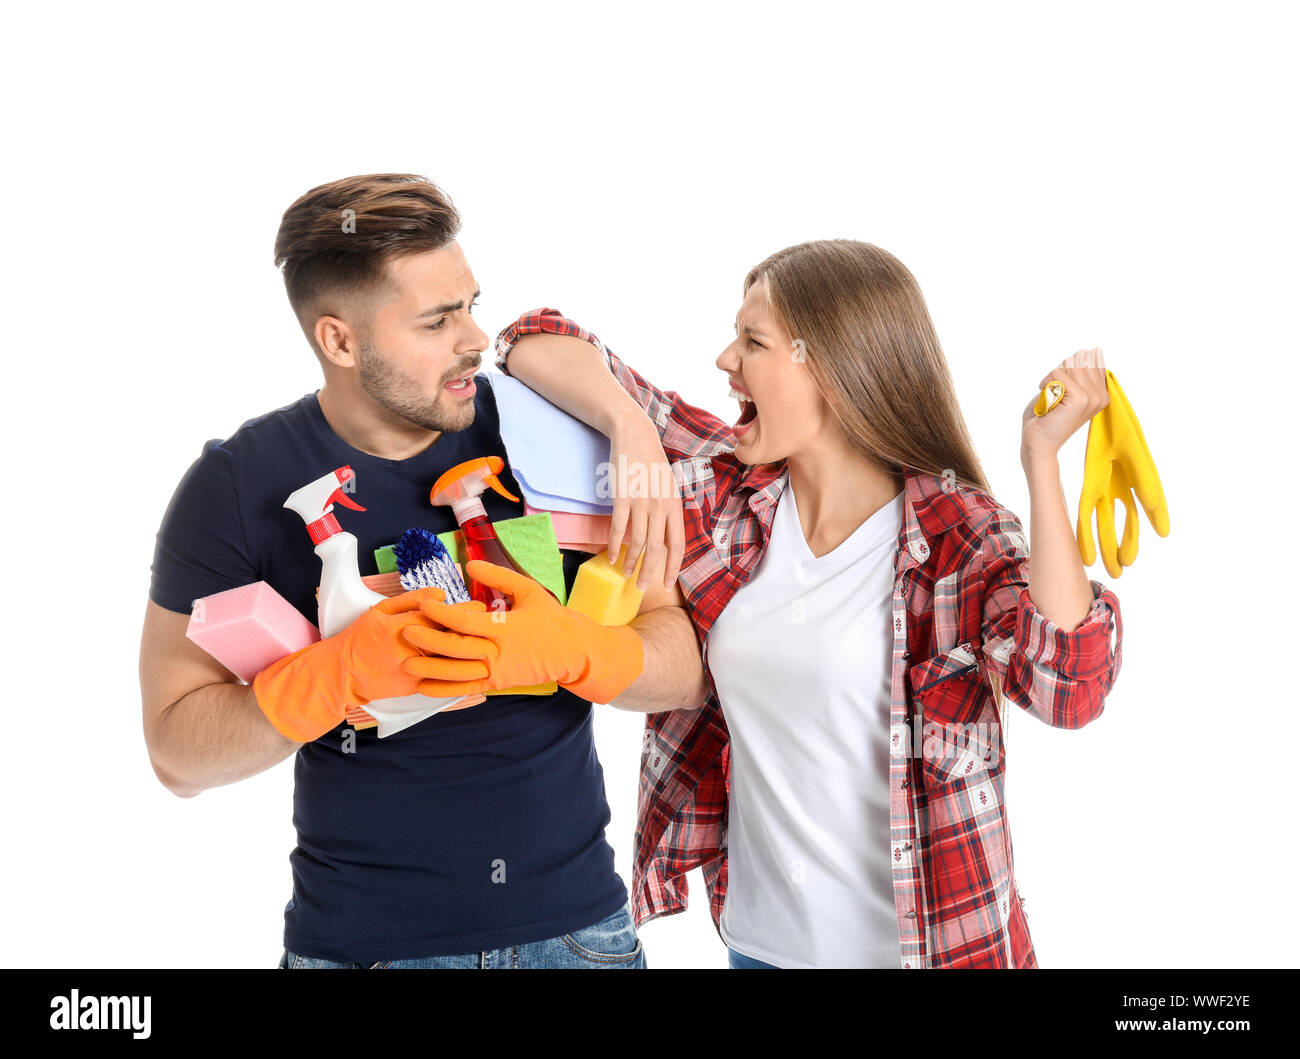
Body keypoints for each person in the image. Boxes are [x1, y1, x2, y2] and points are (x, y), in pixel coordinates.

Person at [423, 240, 1124, 968]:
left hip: (928, 954)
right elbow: (534, 338)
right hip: (759, 949)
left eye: (752, 341)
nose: (727, 359)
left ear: (833, 368)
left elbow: (1070, 687)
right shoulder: (728, 490)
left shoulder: (958, 537)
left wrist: (1041, 460)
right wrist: (628, 424)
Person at [139, 172, 711, 969]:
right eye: (438, 320)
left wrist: (579, 651)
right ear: (339, 341)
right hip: (363, 948)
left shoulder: (544, 430)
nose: (475, 338)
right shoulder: (239, 485)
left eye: (472, 304)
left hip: (579, 937)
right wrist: (330, 676)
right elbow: (177, 752)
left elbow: (683, 666)